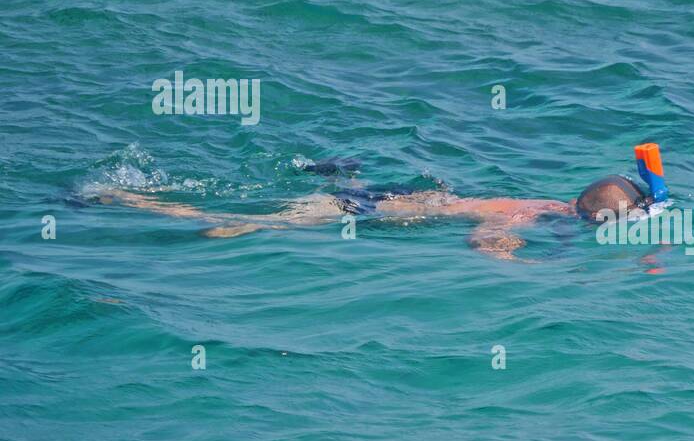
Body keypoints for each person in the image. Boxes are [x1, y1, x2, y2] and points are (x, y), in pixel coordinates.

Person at [91, 165, 653, 260]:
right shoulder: (527, 216)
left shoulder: (550, 207)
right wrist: (517, 262)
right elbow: (482, 240)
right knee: (242, 224)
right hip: (370, 209)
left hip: (397, 198)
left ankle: (341, 171)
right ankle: (121, 197)